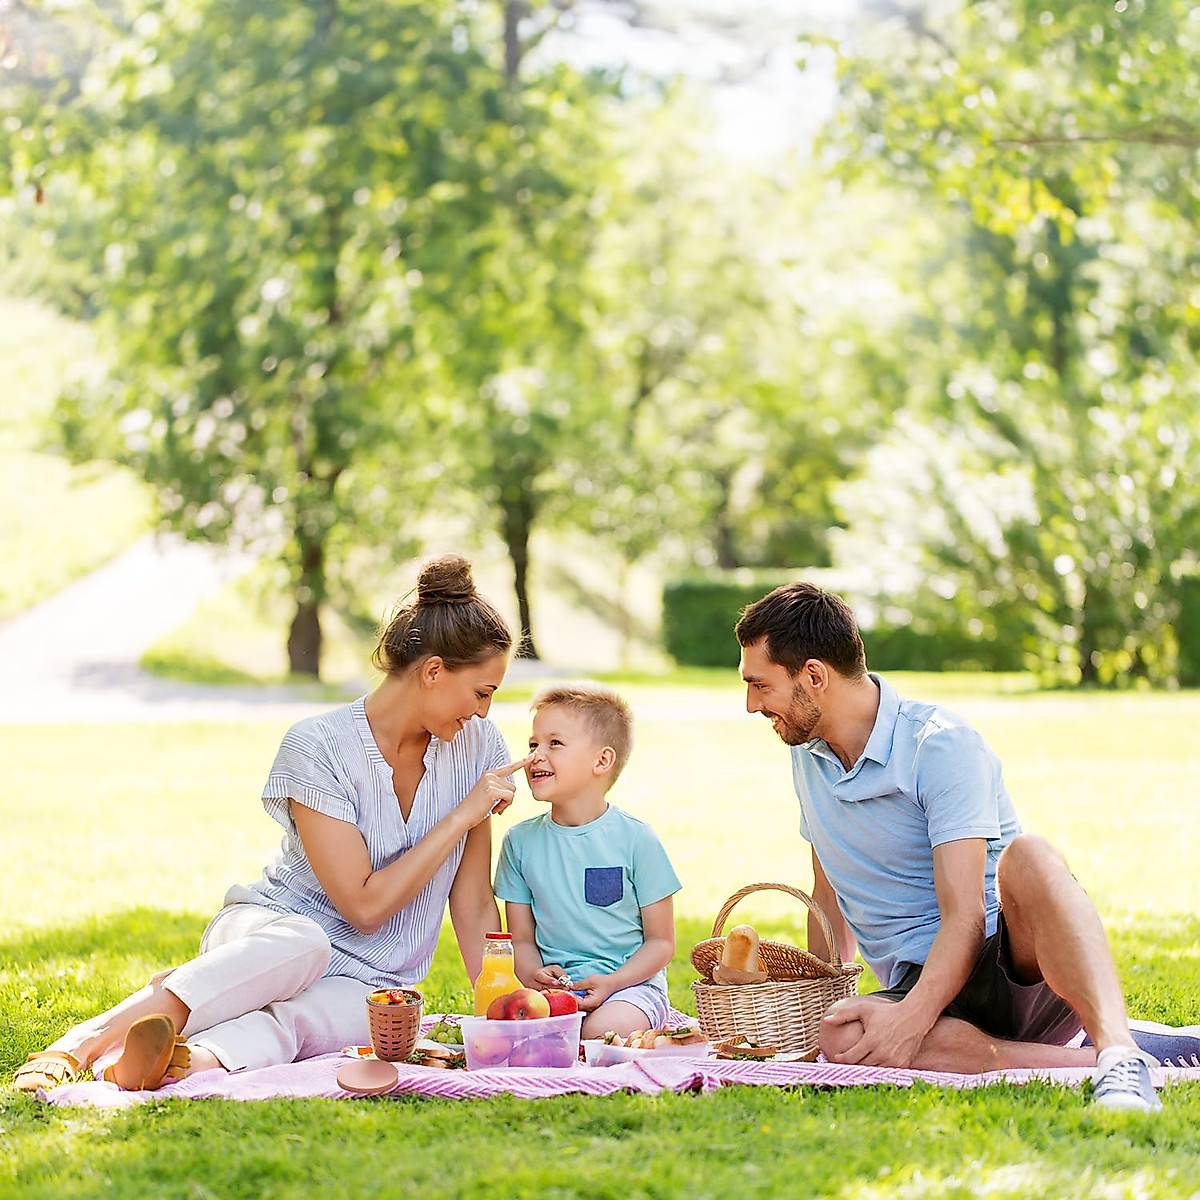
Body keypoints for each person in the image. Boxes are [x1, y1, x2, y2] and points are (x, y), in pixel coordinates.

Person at [15, 554, 533, 1093]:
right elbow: (365, 907)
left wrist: (503, 1010)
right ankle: (85, 1041)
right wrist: (460, 817)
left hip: (371, 976)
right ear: (432, 672)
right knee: (305, 944)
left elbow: (471, 902)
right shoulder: (318, 746)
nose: (484, 713)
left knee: (334, 1021)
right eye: (482, 692)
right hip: (272, 930)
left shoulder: (477, 749)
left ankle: (178, 1063)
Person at [734, 580, 1183, 1112]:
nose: (750, 704)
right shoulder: (806, 754)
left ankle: (1118, 1051)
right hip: (918, 982)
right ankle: (1109, 1063)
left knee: (1031, 855)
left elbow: (966, 916)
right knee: (840, 1037)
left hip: (1005, 968)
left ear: (814, 676)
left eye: (760, 685)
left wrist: (913, 1019)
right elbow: (828, 888)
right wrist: (824, 1004)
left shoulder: (940, 745)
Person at [493, 683, 681, 1039]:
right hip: (553, 993)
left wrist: (612, 983)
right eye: (533, 744)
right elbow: (521, 940)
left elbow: (661, 942)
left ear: (602, 760)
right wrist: (535, 975)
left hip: (630, 988)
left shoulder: (638, 840)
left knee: (601, 1031)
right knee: (512, 1030)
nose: (536, 756)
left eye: (555, 744)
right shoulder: (519, 842)